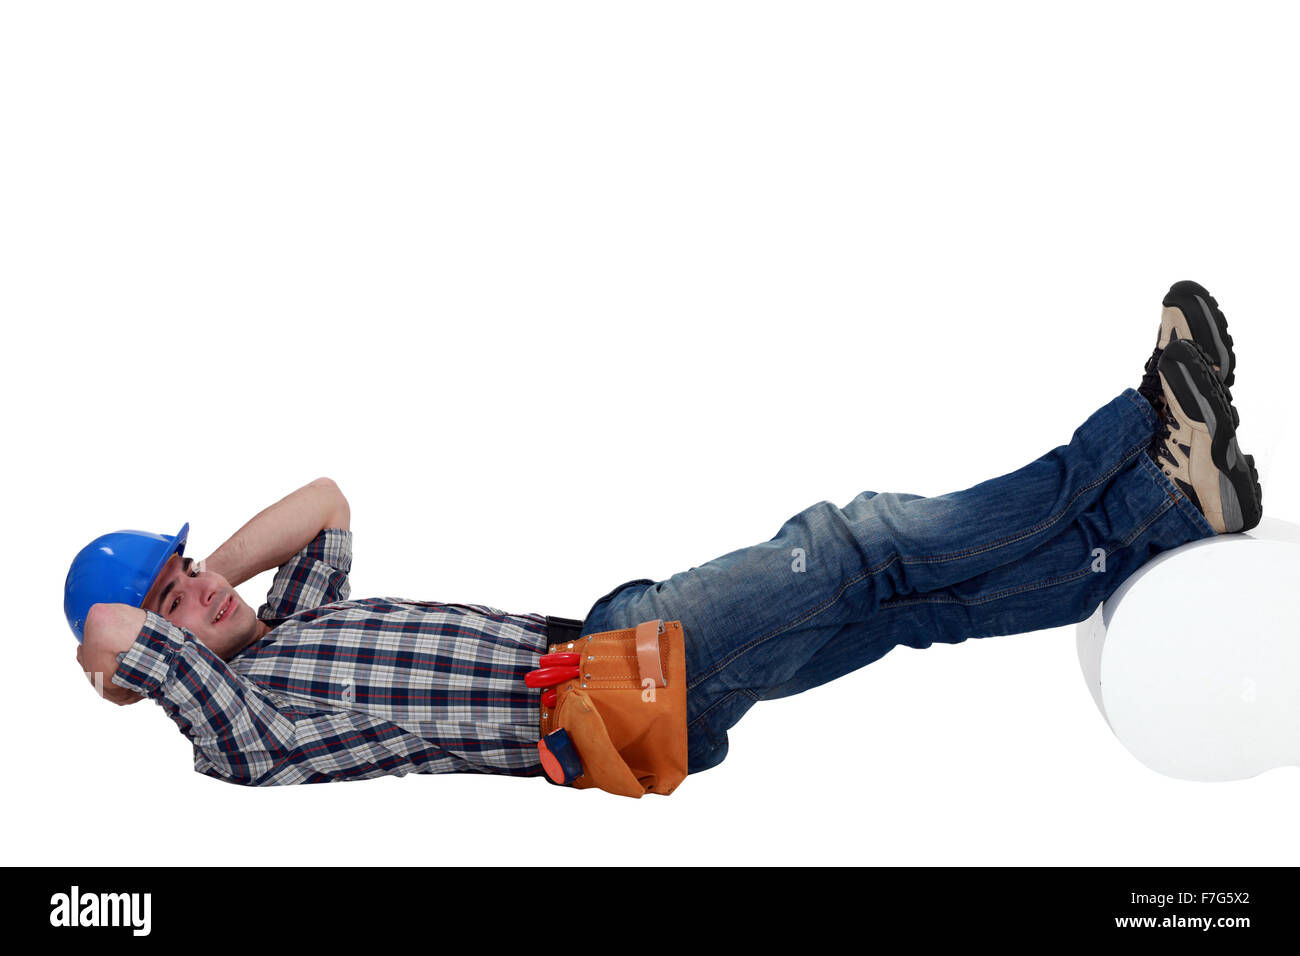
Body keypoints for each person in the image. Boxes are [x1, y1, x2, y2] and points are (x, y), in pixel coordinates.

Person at [66, 281, 1263, 788]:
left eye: (189, 571)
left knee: (905, 604)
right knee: (858, 542)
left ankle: (1163, 511)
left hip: (615, 660)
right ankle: (1144, 428)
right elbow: (125, 641)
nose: (200, 593)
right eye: (172, 600)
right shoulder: (242, 732)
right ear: (139, 670)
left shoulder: (293, 622)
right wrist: (128, 645)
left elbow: (326, 500)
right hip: (604, 685)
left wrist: (209, 574)